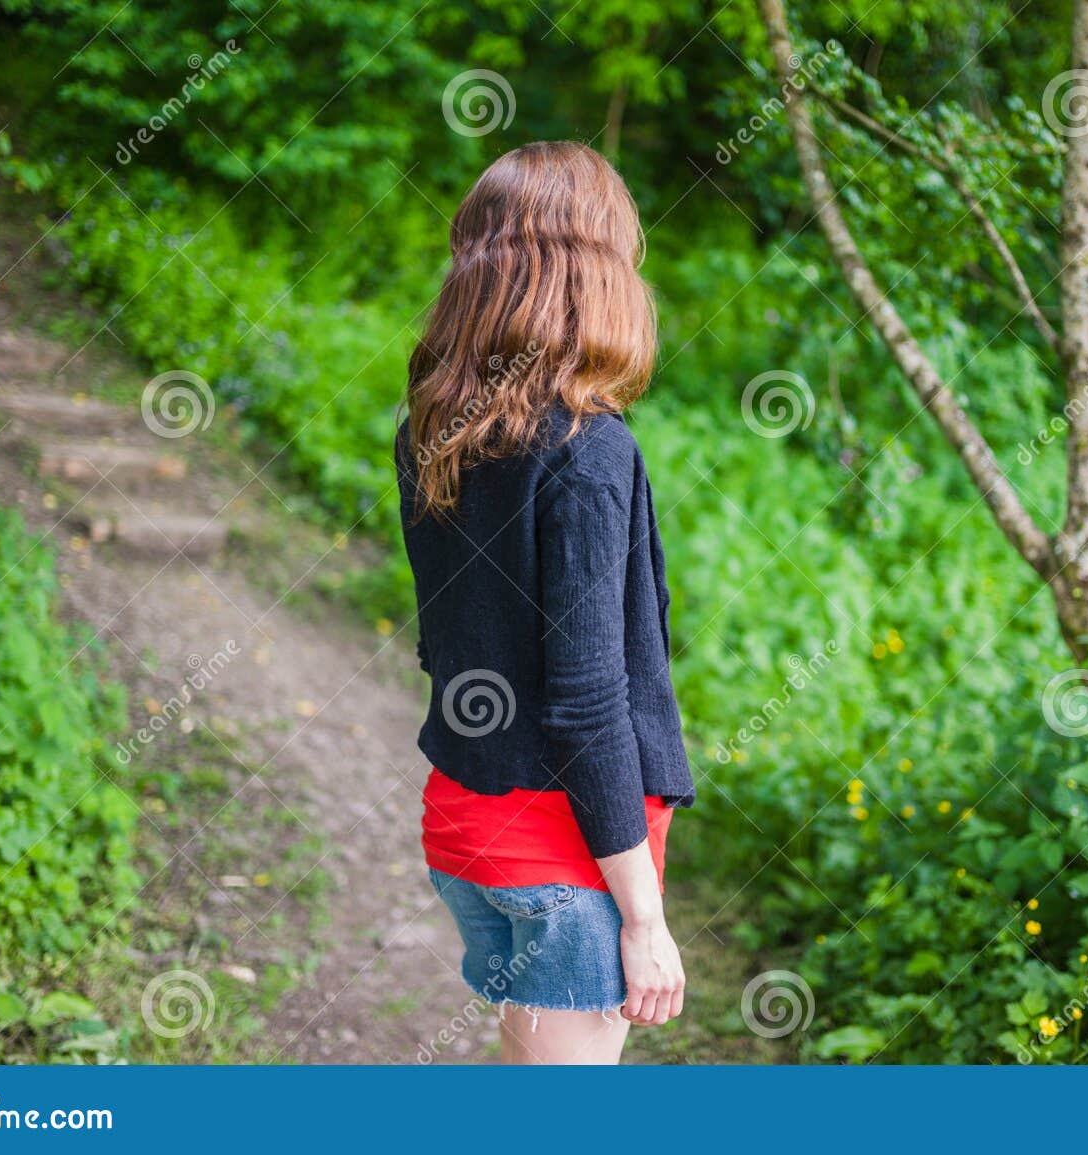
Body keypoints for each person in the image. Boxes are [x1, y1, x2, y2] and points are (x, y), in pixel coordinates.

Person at [397, 141, 695, 1064]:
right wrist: (643, 915)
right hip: (567, 861)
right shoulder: (589, 451)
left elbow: (451, 637)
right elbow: (586, 700)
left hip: (464, 830)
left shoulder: (431, 430)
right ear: (595, 274)